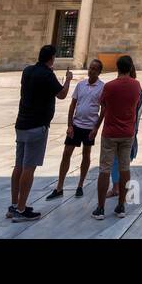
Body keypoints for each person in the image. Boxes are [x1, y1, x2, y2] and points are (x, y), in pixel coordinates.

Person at [9, 44, 71, 222]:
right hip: (36, 126)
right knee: (29, 167)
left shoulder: (27, 71)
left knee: (19, 165)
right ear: (51, 58)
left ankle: (14, 205)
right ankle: (21, 209)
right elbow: (61, 95)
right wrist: (67, 79)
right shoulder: (47, 74)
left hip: (21, 123)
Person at [91, 55, 142, 220]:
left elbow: (103, 105)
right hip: (128, 133)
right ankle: (121, 206)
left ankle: (100, 208)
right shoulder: (136, 86)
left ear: (117, 67)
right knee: (125, 168)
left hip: (110, 133)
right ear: (131, 67)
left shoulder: (109, 86)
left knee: (104, 169)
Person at [47, 58, 104, 199]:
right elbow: (73, 104)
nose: (91, 71)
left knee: (86, 154)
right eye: (90, 68)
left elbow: (104, 108)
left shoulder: (102, 87)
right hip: (76, 125)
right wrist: (69, 125)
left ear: (99, 72)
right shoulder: (81, 85)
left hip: (90, 126)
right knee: (66, 153)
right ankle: (59, 186)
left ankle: (80, 185)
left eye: (95, 69)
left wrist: (96, 127)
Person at [106, 85, 142, 198]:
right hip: (128, 129)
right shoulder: (136, 89)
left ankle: (117, 189)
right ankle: (120, 190)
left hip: (120, 130)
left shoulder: (120, 87)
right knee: (122, 161)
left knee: (117, 161)